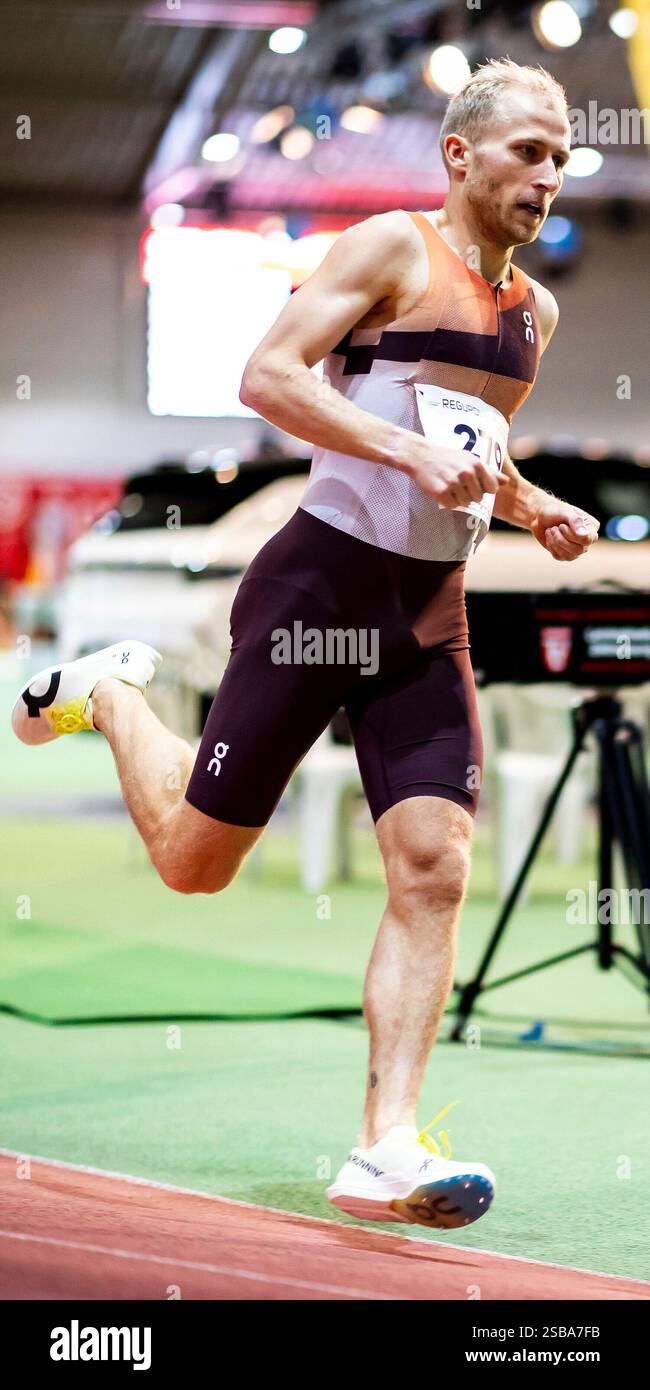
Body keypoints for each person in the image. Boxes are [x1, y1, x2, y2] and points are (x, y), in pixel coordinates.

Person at [12, 58, 599, 1232]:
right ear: (458, 156)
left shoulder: (534, 312)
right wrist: (406, 460)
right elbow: (267, 377)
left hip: (430, 612)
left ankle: (384, 1145)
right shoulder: (389, 248)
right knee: (194, 862)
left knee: (432, 865)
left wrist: (528, 502)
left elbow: (463, 445)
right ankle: (113, 694)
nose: (547, 173)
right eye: (526, 151)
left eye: (561, 154)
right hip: (315, 589)